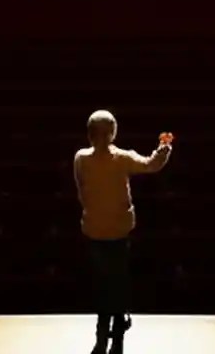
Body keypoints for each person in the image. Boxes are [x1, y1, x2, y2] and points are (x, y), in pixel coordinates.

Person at [73, 110, 173, 354]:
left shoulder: (81, 158)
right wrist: (164, 149)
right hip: (117, 231)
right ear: (113, 132)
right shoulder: (122, 158)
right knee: (116, 284)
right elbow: (151, 165)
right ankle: (115, 339)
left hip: (95, 230)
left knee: (103, 285)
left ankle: (102, 338)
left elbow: (81, 191)